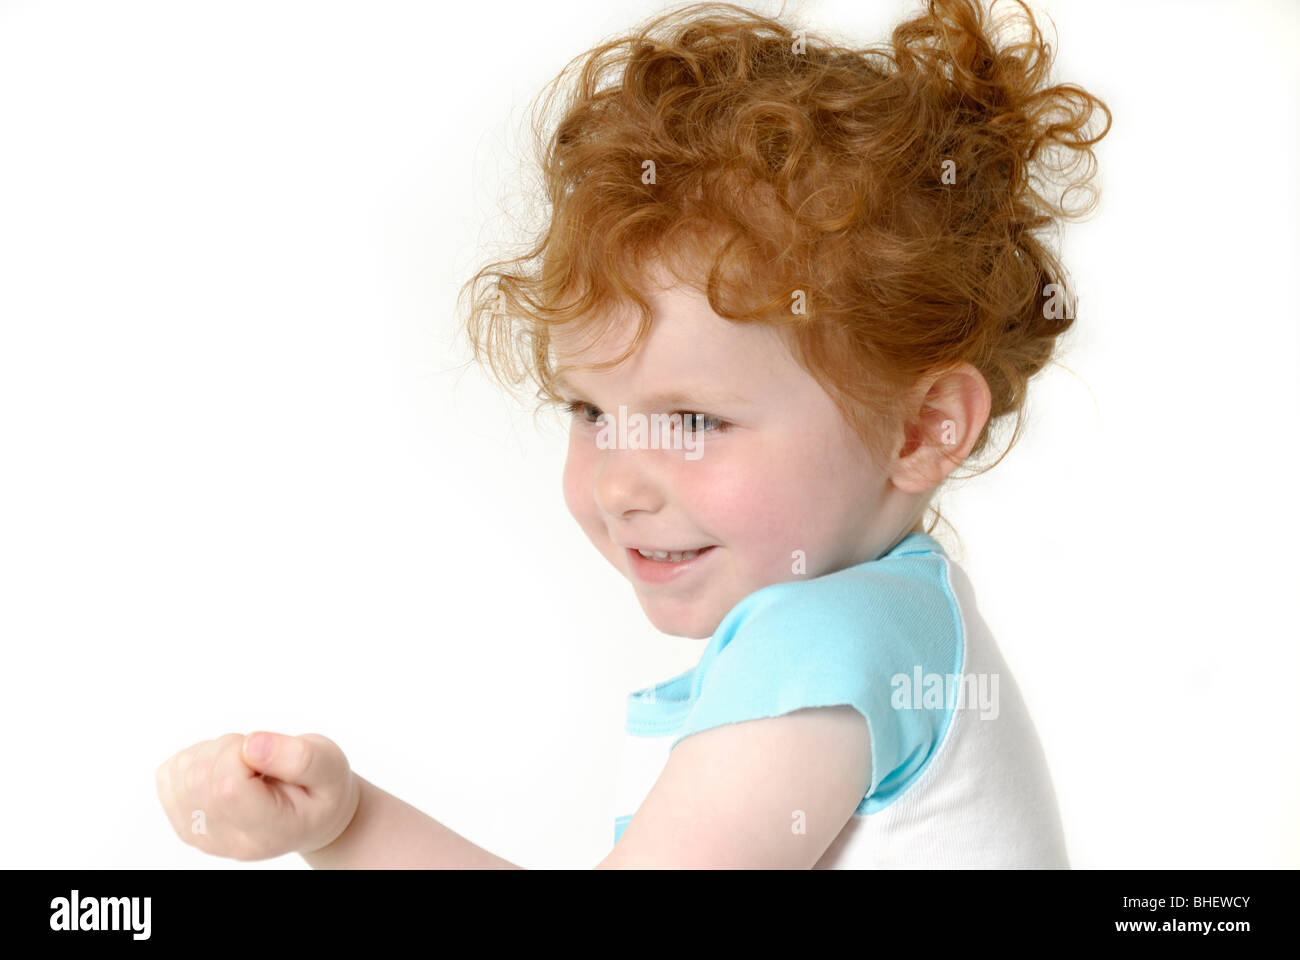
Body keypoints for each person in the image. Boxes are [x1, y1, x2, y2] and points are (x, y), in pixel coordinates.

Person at [155, 0, 1110, 868]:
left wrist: (352, 829)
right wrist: (344, 821)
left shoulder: (830, 639)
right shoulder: (897, 621)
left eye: (693, 421)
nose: (618, 485)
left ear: (923, 427)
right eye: (590, 413)